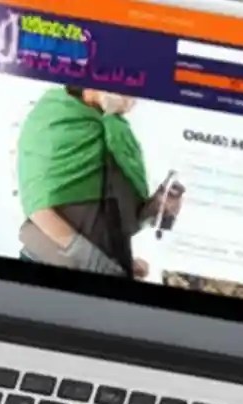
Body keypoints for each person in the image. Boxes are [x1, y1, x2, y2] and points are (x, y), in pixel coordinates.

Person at [15, 85, 179, 278]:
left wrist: (154, 210)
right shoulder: (51, 119)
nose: (133, 102)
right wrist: (93, 260)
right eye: (129, 92)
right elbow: (38, 210)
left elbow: (113, 215)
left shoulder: (113, 127)